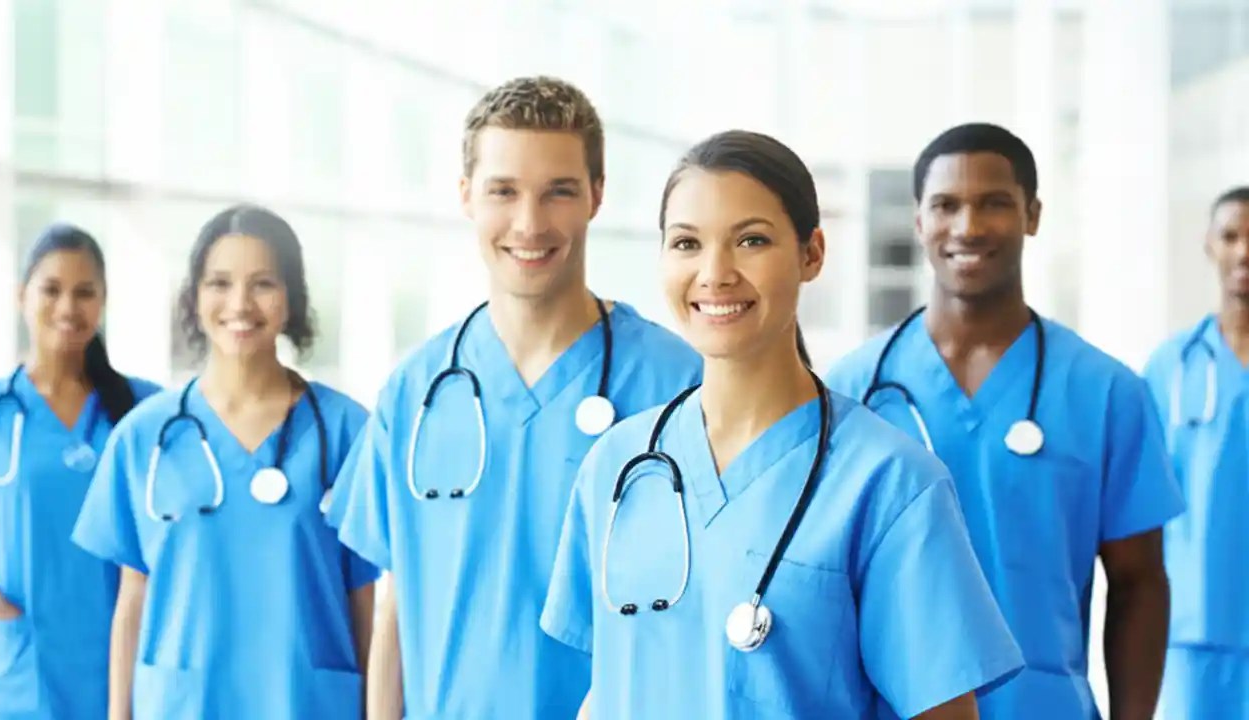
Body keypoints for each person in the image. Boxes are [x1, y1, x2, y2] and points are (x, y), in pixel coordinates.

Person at [541, 129, 1023, 719]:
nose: (715, 274)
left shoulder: (889, 483)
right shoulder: (615, 467)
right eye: (687, 243)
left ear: (811, 253)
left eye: (750, 240)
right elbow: (610, 686)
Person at [325, 76, 702, 719]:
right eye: (504, 191)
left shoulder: (676, 383)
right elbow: (398, 602)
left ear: (597, 197)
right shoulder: (414, 390)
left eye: (559, 192)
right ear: (466, 195)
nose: (530, 224)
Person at [826, 122, 1185, 719]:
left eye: (994, 203)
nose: (967, 227)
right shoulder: (850, 389)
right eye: (946, 205)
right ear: (919, 220)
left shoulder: (1105, 391)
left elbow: (1139, 583)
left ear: (1032, 214)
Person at [71, 205, 378, 719]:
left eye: (263, 283)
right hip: (185, 705)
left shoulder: (346, 431)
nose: (240, 303)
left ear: (291, 298)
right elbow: (133, 599)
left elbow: (364, 601)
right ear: (194, 297)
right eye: (219, 282)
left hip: (304, 703)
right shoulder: (145, 437)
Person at [0, 224, 160, 719]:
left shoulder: (145, 410)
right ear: (21, 296)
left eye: (84, 292)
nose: (67, 308)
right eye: (51, 289)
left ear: (103, 302)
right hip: (19, 664)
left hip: (119, 661)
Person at [1142, 186, 1249, 718]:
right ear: (1209, 245)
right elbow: (1139, 498)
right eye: (1231, 236)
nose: (1244, 252)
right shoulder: (1172, 367)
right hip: (1194, 622)